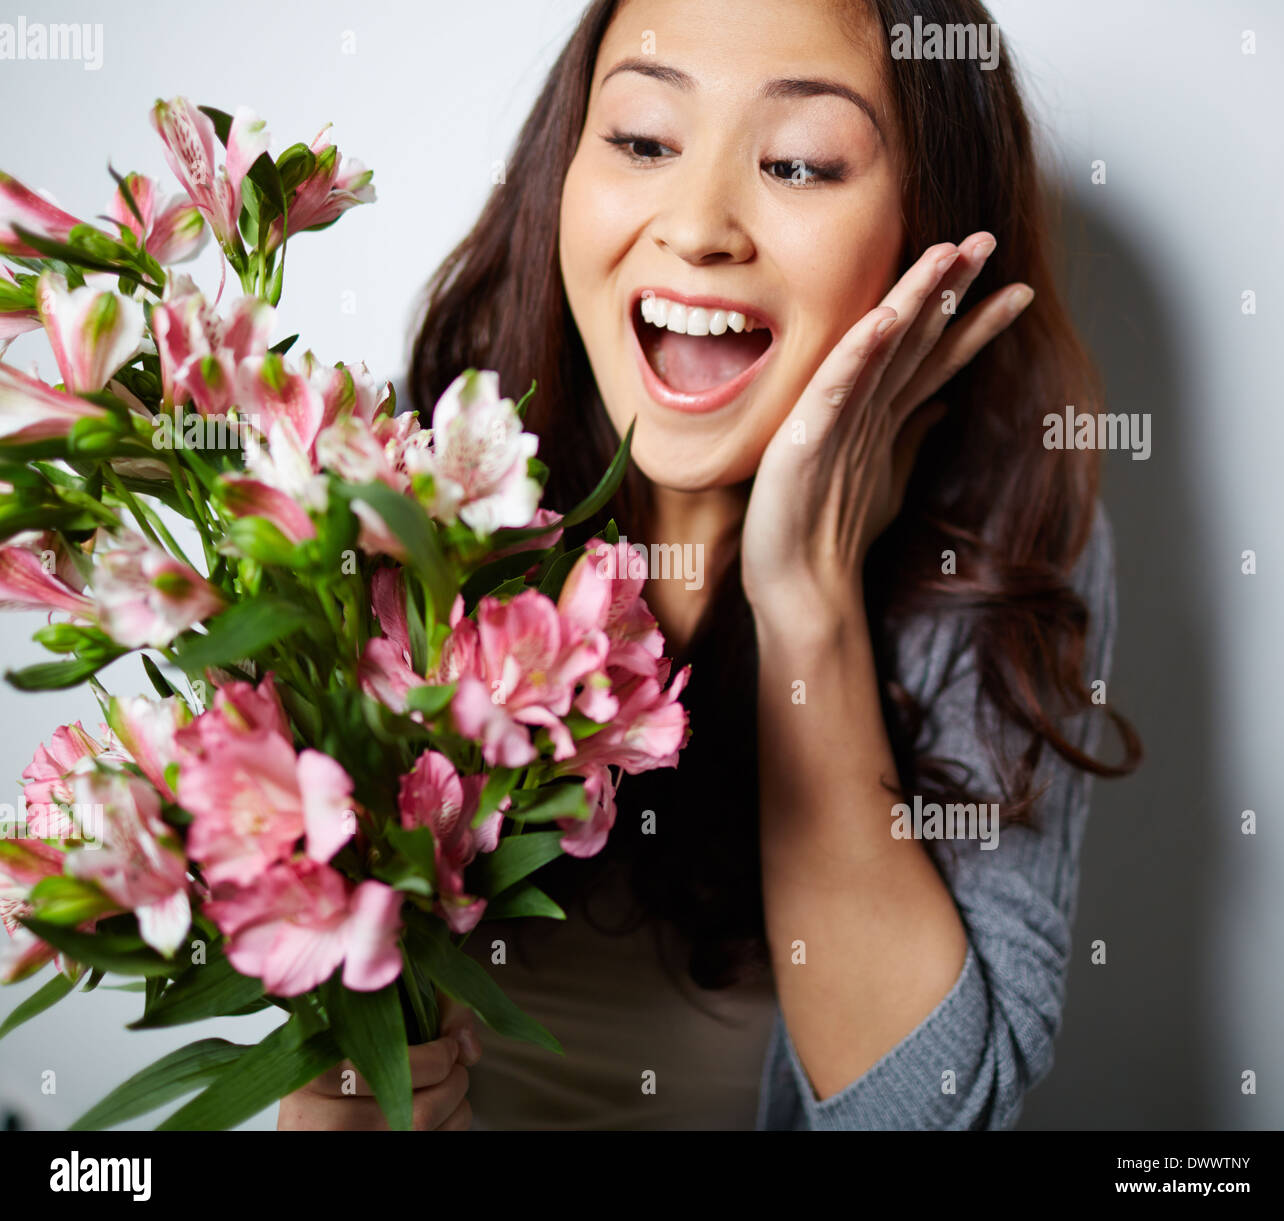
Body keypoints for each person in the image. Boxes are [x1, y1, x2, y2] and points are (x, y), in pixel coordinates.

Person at [278, 0, 1141, 1131]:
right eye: (641, 141)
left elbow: (928, 1114)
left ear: (934, 236)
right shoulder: (399, 485)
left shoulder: (1001, 540)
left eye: (799, 162)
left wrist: (806, 600)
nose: (697, 225)